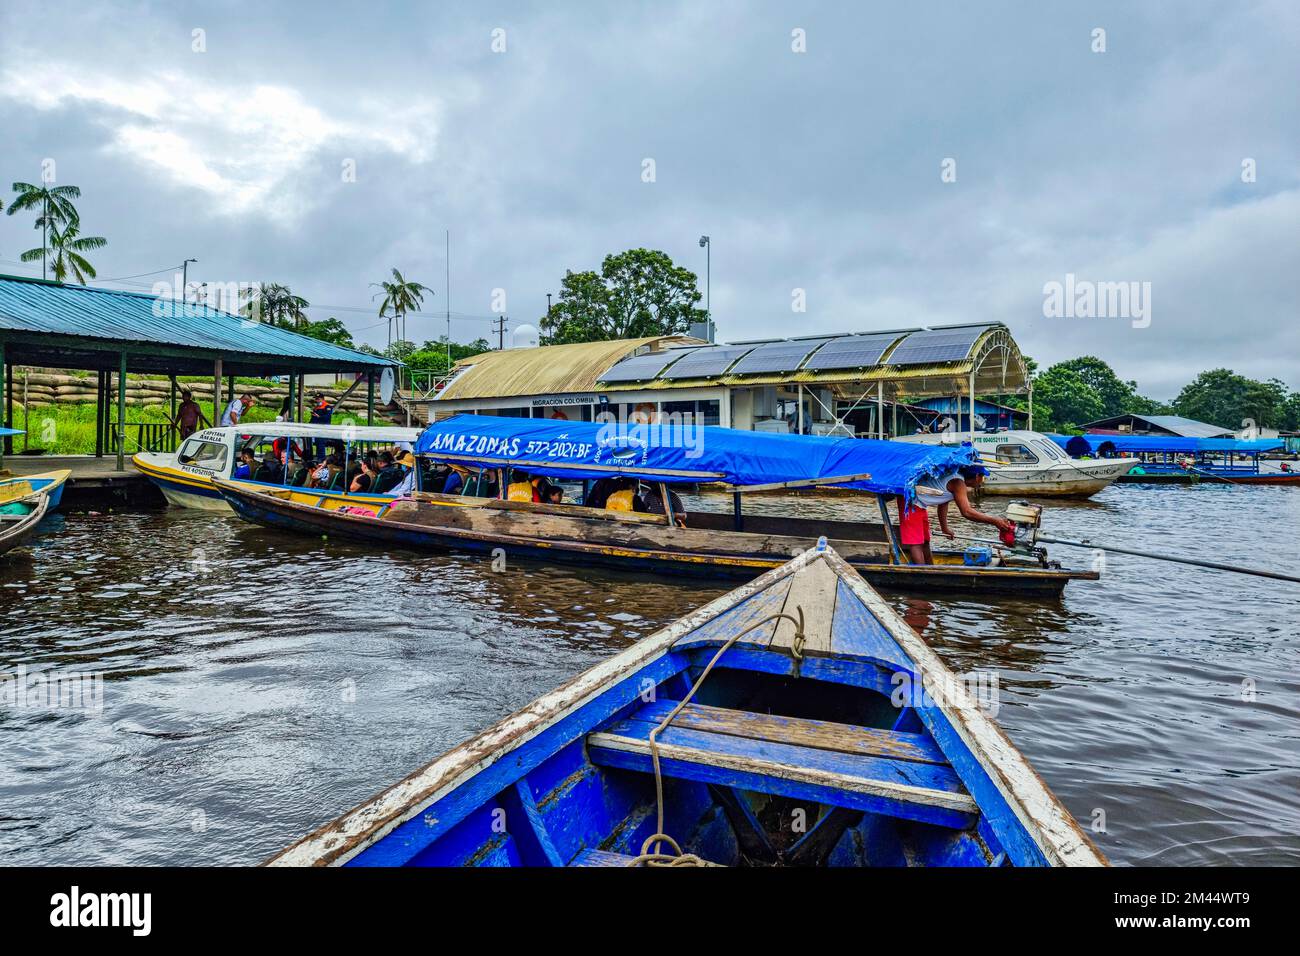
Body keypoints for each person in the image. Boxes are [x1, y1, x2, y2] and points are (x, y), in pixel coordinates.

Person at [895, 466, 1012, 565]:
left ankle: (931, 569)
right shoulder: (958, 483)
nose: (982, 480)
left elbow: (943, 503)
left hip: (920, 504)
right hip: (910, 501)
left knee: (925, 541)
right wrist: (994, 521)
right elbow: (967, 512)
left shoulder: (956, 480)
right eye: (982, 477)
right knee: (916, 543)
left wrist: (944, 528)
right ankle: (922, 575)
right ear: (977, 477)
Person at [308, 392, 333, 458]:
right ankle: (317, 458)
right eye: (316, 399)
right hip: (316, 429)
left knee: (321, 444)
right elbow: (313, 418)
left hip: (323, 429)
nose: (316, 400)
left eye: (318, 399)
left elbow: (327, 417)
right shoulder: (316, 408)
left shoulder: (327, 407)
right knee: (317, 444)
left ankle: (321, 459)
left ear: (322, 399)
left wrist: (319, 417)